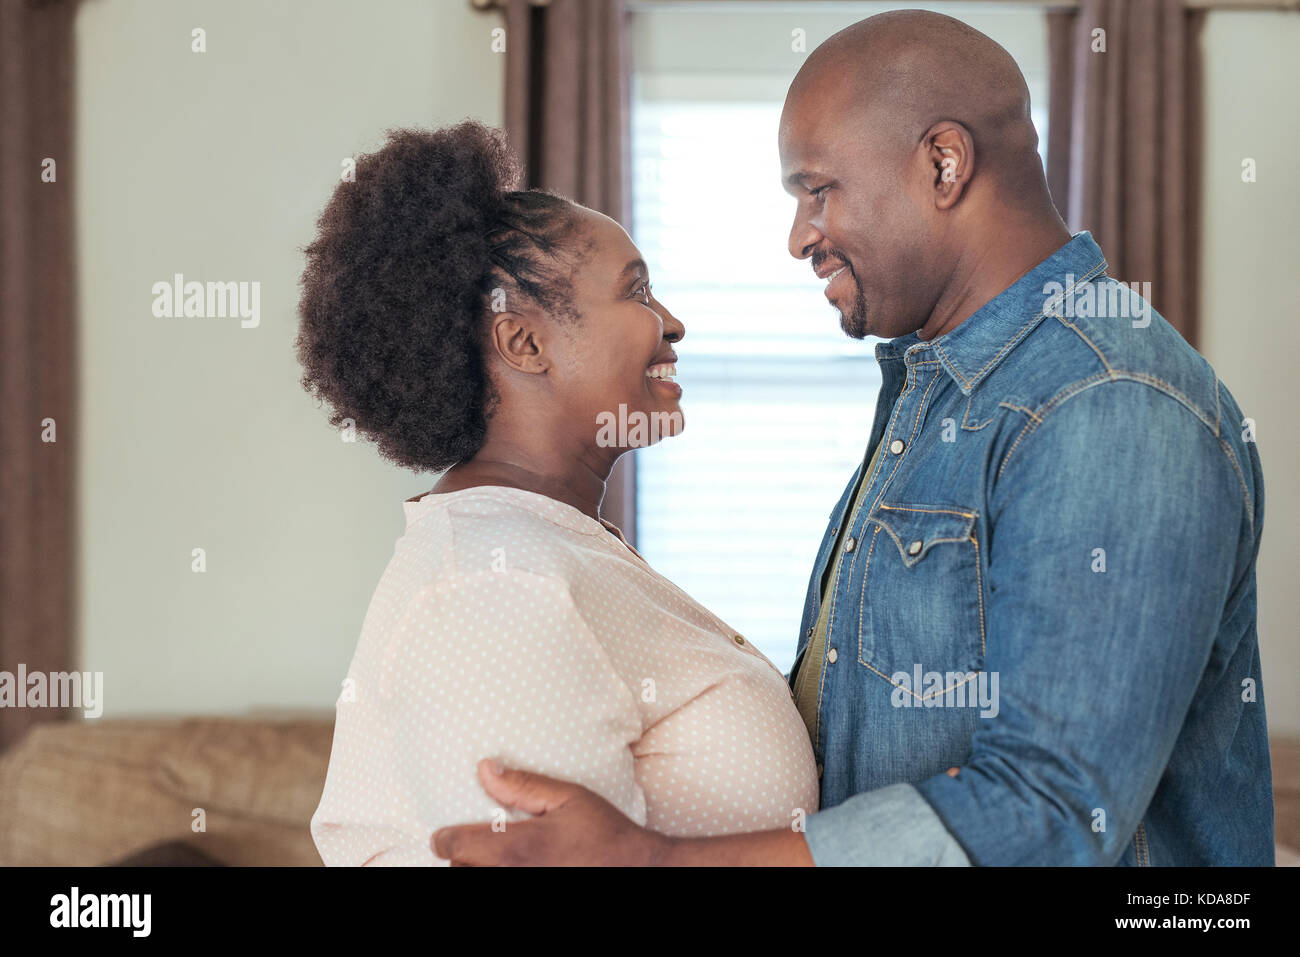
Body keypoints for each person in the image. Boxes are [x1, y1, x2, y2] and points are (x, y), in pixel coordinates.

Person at [432, 10, 1273, 866]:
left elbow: (1051, 815)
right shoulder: (933, 395)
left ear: (943, 164)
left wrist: (656, 861)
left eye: (817, 188)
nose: (800, 235)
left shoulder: (1109, 403)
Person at [299, 122, 818, 865]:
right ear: (524, 344)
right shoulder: (491, 584)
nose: (672, 323)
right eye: (636, 291)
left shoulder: (543, 545)